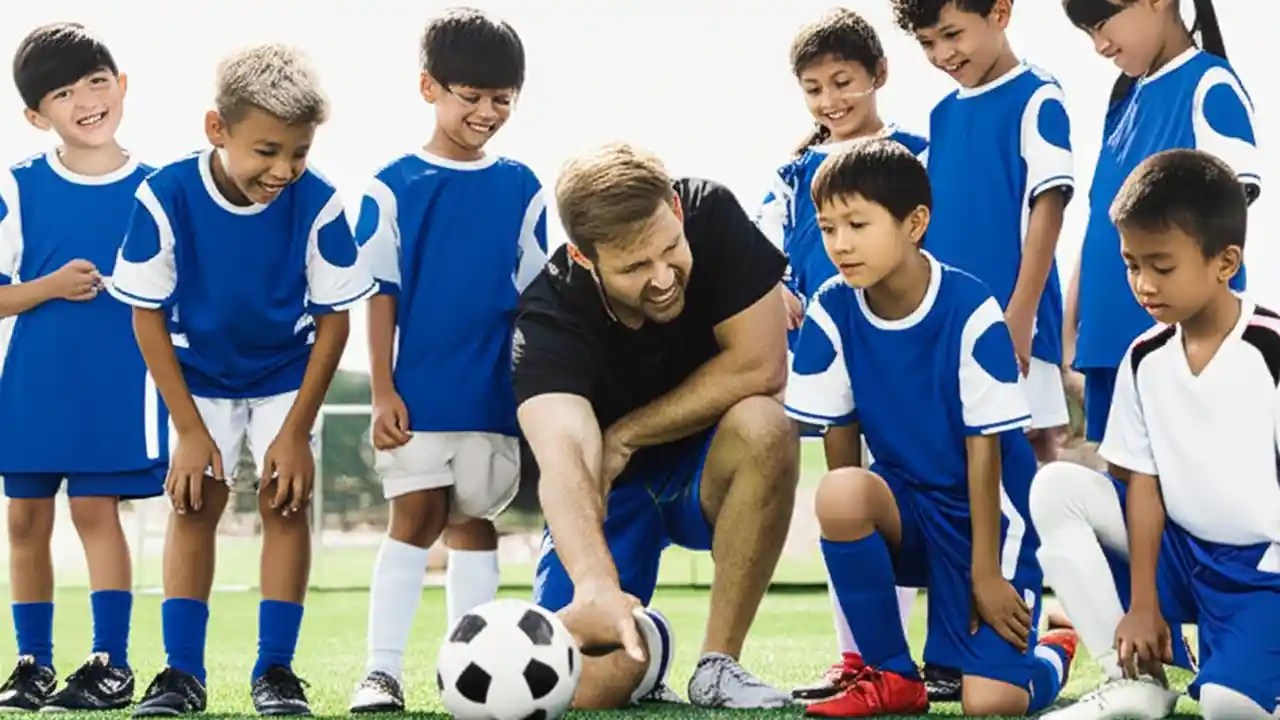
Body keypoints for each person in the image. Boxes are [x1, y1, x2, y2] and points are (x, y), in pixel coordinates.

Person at [108, 43, 375, 716]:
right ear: (217, 130)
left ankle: (276, 672)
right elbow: (145, 316)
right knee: (194, 503)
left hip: (287, 369)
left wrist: (294, 431)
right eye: (267, 151)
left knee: (284, 501)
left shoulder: (318, 204)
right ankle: (181, 674)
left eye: (299, 152)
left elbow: (335, 322)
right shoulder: (166, 194)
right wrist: (190, 431)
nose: (283, 169)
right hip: (197, 371)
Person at [785, 138, 1076, 718]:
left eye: (857, 224)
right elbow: (841, 445)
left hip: (987, 518)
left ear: (914, 223)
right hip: (908, 509)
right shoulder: (831, 308)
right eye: (828, 227)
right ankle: (891, 674)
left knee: (989, 705)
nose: (840, 243)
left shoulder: (971, 307)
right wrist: (860, 537)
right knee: (840, 492)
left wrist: (986, 573)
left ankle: (1053, 649)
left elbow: (985, 452)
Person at [511, 142, 798, 710]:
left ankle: (718, 665)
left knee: (768, 424)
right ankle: (654, 645)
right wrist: (594, 587)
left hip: (708, 470)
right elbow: (566, 458)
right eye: (636, 267)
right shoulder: (549, 319)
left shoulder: (712, 213)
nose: (664, 277)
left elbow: (762, 363)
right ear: (584, 257)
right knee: (582, 687)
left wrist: (626, 434)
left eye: (670, 248)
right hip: (611, 494)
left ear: (676, 209)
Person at [1032, 149, 1280, 720]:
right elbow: (1141, 482)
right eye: (1131, 264)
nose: (1143, 284)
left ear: (1225, 261)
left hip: (1260, 573)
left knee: (1228, 708)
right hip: (1180, 556)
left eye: (1161, 266)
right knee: (1057, 489)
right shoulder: (1143, 357)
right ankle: (1133, 682)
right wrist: (1143, 603)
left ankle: (1236, 661)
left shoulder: (1268, 350)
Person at [348, 8, 546, 713]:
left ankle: (473, 666)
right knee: (418, 514)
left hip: (493, 394)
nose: (487, 112)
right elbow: (380, 294)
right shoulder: (392, 184)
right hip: (419, 390)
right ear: (429, 87)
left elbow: (537, 293)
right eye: (472, 95)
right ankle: (381, 670)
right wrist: (381, 390)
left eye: (503, 100)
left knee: (474, 520)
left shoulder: (523, 186)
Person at [754, 7, 943, 704]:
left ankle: (928, 655)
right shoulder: (792, 171)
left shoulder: (919, 154)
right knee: (842, 498)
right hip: (825, 358)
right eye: (814, 88)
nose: (830, 100)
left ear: (879, 76)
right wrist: (775, 286)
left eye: (844, 82)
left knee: (911, 495)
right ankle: (858, 656)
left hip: (905, 357)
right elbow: (761, 245)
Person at [0, 22, 165, 712]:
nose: (86, 100)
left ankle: (111, 664)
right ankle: (32, 663)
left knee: (97, 510)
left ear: (120, 84)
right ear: (38, 115)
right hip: (35, 384)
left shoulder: (162, 189)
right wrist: (50, 287)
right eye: (63, 93)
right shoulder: (17, 187)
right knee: (24, 518)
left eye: (96, 81)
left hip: (121, 385)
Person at [1061, 0, 1260, 445]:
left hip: (1176, 358)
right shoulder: (1122, 101)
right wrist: (1071, 334)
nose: (1099, 45)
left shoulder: (1208, 84)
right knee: (1120, 500)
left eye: (1103, 23)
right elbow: (1099, 228)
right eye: (1087, 32)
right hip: (1107, 352)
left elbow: (1227, 221)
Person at [890, 0, 1073, 464]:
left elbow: (1048, 207)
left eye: (953, 34)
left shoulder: (1037, 96)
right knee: (963, 470)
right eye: (928, 43)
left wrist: (1020, 318)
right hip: (951, 328)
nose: (942, 55)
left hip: (1015, 322)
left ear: (1000, 12)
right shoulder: (942, 116)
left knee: (1034, 461)